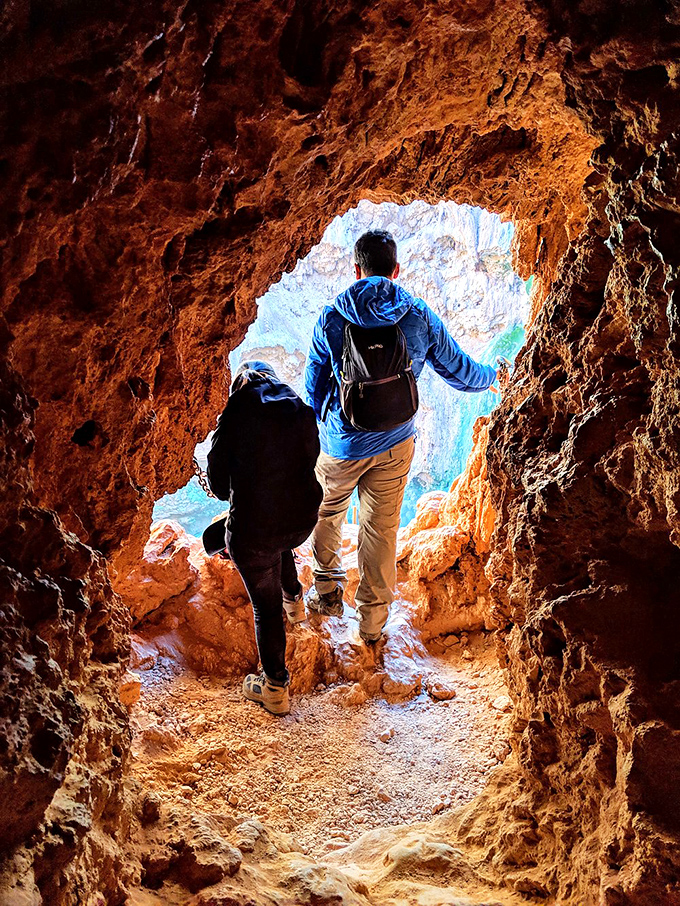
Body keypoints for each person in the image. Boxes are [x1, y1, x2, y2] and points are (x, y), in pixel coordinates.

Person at [304, 229, 498, 643]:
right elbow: (459, 371)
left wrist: (320, 427)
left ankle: (326, 594)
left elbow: (314, 384)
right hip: (396, 443)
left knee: (326, 513)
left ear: (356, 270)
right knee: (381, 529)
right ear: (396, 270)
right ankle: (372, 626)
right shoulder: (417, 314)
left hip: (341, 443)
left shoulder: (332, 317)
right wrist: (492, 378)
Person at [206, 360, 322, 715]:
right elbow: (310, 460)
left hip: (255, 533)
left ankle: (274, 687)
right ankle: (295, 601)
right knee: (279, 539)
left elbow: (218, 485)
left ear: (240, 385)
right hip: (301, 520)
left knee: (263, 608)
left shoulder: (235, 411)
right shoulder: (298, 407)